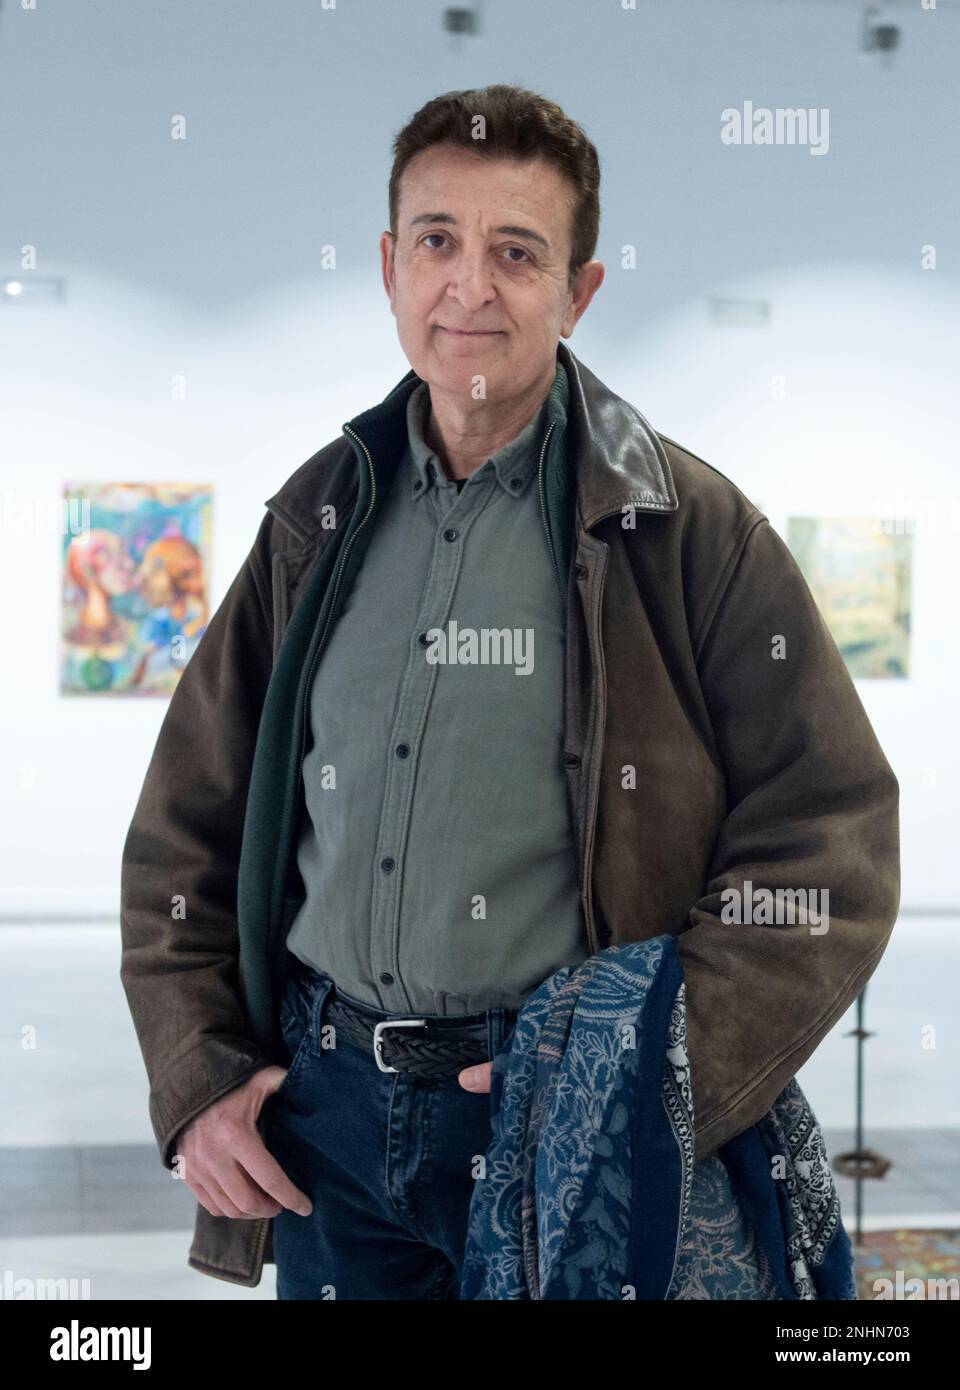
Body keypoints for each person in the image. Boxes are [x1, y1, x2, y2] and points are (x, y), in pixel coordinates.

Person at [119, 84, 900, 1299]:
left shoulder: (690, 533)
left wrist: (648, 1068)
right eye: (436, 241)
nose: (468, 286)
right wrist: (198, 1077)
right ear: (389, 267)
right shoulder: (313, 521)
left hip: (559, 1140)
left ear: (580, 290)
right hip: (323, 1134)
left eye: (516, 252)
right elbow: (182, 829)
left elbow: (833, 843)